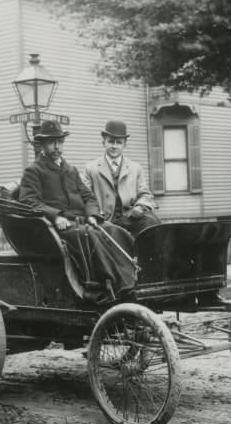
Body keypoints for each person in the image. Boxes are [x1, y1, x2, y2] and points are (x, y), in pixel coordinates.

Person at [18, 120, 136, 302]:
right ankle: (106, 286)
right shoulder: (34, 171)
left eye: (59, 141)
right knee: (89, 236)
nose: (57, 146)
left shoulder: (70, 170)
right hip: (56, 226)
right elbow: (29, 201)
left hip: (82, 220)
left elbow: (88, 197)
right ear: (42, 144)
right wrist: (55, 216)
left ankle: (132, 280)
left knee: (114, 230)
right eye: (51, 142)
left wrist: (93, 215)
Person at [80, 119, 162, 237]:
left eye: (119, 142)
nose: (114, 146)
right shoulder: (91, 169)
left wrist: (139, 206)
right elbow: (86, 198)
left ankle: (153, 254)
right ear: (103, 142)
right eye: (111, 141)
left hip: (129, 218)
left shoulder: (135, 168)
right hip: (105, 220)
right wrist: (95, 215)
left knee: (152, 221)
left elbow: (145, 195)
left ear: (125, 145)